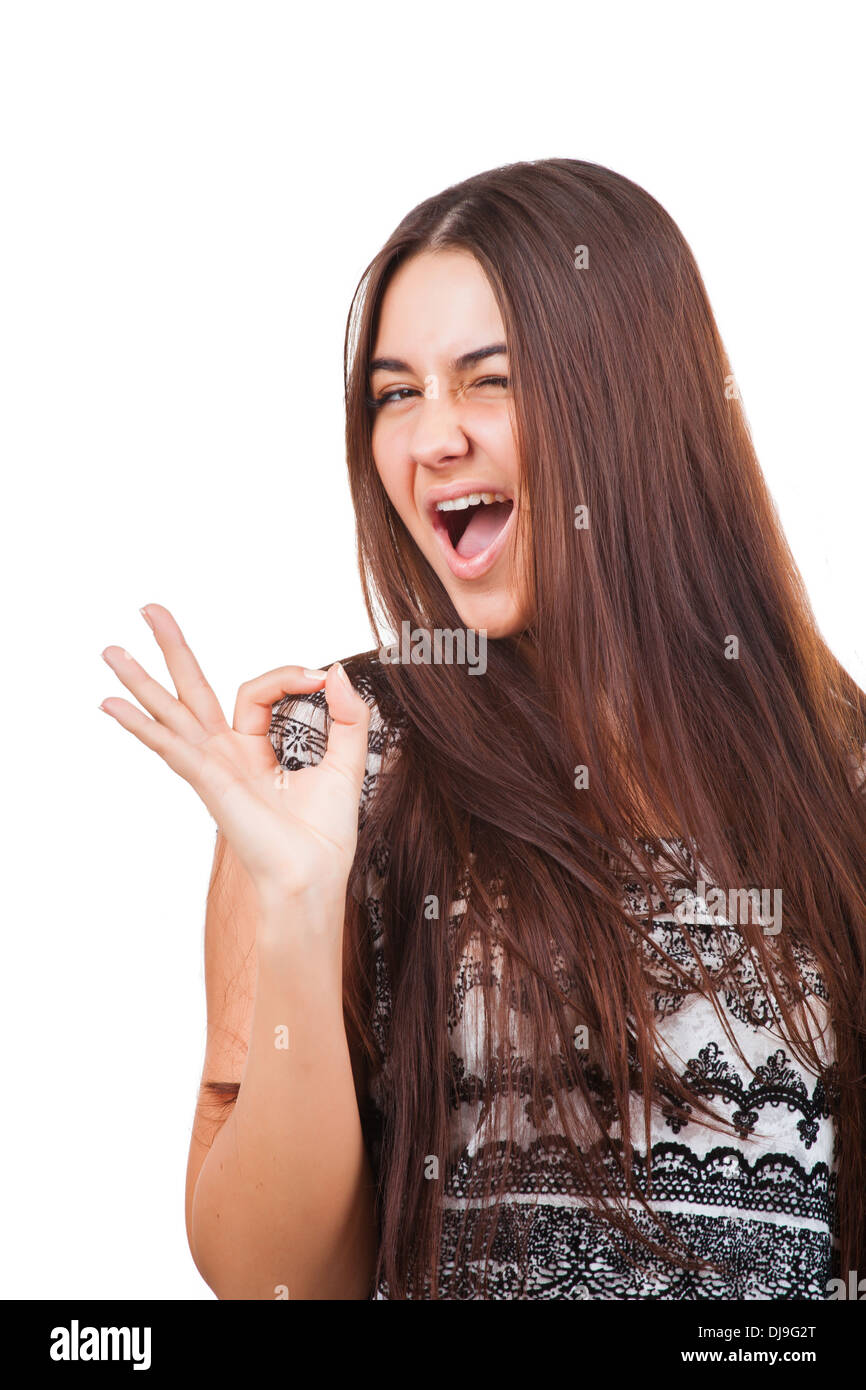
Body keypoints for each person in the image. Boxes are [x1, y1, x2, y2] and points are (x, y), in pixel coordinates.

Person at [100, 158, 866, 1300]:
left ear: (633, 399)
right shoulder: (333, 754)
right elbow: (274, 1280)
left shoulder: (835, 775)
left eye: (485, 381)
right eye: (395, 393)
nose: (430, 439)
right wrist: (302, 909)